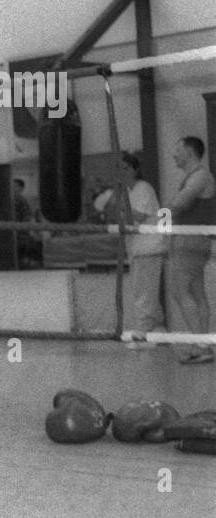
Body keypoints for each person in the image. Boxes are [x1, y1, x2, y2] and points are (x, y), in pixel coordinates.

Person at [92, 153, 165, 346]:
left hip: (148, 248)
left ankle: (142, 334)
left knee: (143, 293)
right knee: (146, 292)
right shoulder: (125, 191)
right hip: (137, 249)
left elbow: (138, 217)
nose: (122, 173)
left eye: (126, 168)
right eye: (118, 169)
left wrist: (119, 204)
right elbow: (112, 216)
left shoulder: (143, 188)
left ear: (135, 170)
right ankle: (158, 331)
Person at [165, 136, 215, 364]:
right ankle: (203, 345)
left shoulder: (200, 176)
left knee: (179, 290)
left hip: (190, 241)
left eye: (177, 149)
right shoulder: (196, 176)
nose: (174, 154)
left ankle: (201, 344)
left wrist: (159, 219)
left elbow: (180, 203)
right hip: (195, 240)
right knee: (196, 294)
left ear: (189, 151)